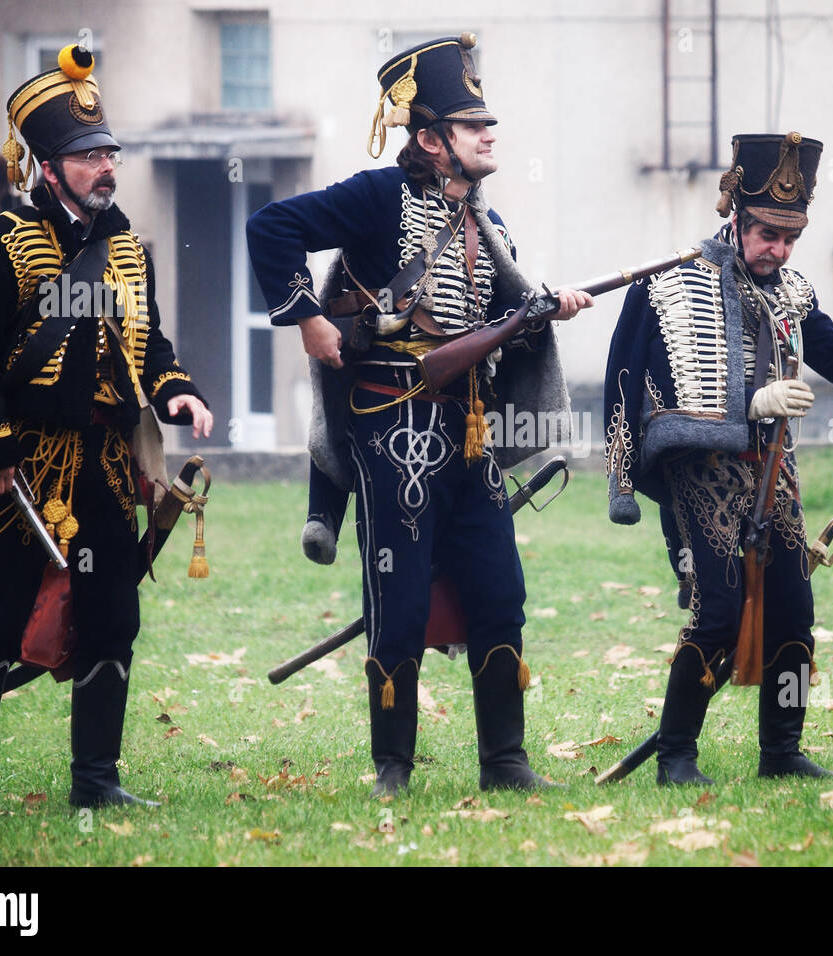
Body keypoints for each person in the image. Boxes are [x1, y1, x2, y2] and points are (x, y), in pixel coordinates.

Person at [247, 33, 590, 795]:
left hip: (470, 433)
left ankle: (505, 762)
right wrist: (305, 315)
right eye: (472, 126)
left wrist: (550, 307)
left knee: (500, 592)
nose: (489, 134)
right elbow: (271, 227)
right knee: (396, 597)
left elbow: (509, 314)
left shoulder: (486, 225)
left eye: (486, 123)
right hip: (390, 428)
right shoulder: (376, 199)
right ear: (431, 140)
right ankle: (392, 768)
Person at [0, 44, 212, 816]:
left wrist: (178, 390)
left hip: (109, 464)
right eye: (86, 155)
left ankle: (95, 779)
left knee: (112, 616)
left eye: (108, 152)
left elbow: (146, 344)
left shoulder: (127, 249)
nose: (105, 166)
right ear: (45, 167)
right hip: (26, 465)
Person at [604, 132, 833, 784]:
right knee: (719, 611)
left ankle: (781, 752)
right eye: (768, 233)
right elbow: (635, 382)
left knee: (795, 611)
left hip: (771, 473)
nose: (780, 249)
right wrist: (750, 401)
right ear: (734, 217)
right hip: (698, 472)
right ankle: (677, 756)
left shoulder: (792, 287)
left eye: (791, 238)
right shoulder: (669, 284)